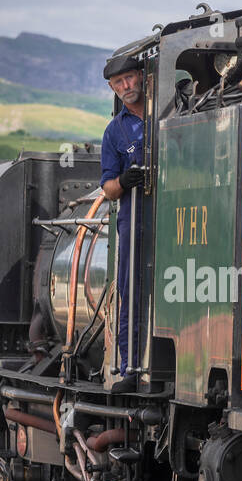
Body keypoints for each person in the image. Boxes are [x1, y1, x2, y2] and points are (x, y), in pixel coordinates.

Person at [100, 55, 149, 392]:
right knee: (131, 289)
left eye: (130, 79)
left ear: (142, 77)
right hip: (137, 217)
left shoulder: (172, 110)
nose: (126, 87)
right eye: (119, 83)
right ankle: (129, 365)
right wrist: (126, 181)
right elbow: (108, 189)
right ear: (112, 88)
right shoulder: (114, 131)